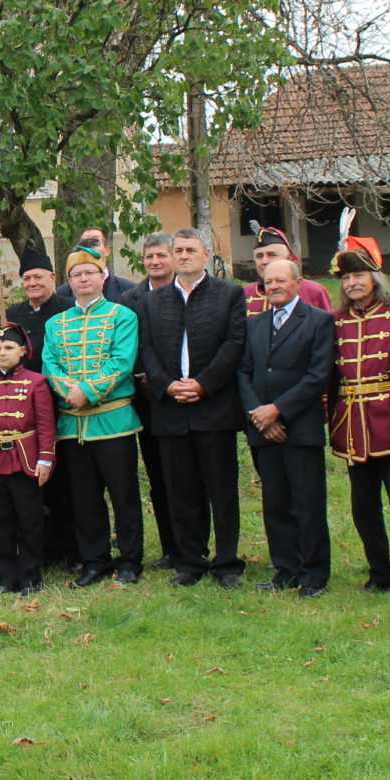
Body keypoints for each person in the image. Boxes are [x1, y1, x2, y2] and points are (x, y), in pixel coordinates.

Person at [138, 228, 248, 588]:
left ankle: (228, 561)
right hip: (169, 409)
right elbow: (147, 349)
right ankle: (190, 561)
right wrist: (167, 385)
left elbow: (234, 344)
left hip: (212, 406)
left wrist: (203, 383)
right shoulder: (154, 301)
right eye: (178, 249)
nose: (183, 255)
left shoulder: (228, 294)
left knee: (221, 489)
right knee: (180, 490)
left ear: (205, 254)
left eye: (190, 250)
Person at [43, 243, 144, 587]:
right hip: (72, 425)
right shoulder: (55, 324)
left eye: (89, 272)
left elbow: (121, 362)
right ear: (68, 281)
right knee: (84, 499)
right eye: (76, 274)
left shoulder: (122, 316)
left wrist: (86, 391)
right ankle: (94, 561)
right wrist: (66, 390)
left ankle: (130, 561)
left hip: (113, 421)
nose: (83, 279)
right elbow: (49, 364)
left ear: (103, 277)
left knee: (124, 496)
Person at [238, 258, 338, 596]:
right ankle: (285, 569)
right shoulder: (254, 324)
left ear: (297, 283)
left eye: (282, 280)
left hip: (300, 428)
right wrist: (259, 415)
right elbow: (244, 373)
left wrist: (278, 411)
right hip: (263, 430)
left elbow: (318, 375)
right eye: (269, 282)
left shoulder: (319, 321)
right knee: (276, 503)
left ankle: (313, 574)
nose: (275, 286)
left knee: (307, 503)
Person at [328, 237, 390, 593]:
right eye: (347, 278)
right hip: (351, 424)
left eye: (359, 275)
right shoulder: (336, 321)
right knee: (363, 509)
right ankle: (379, 572)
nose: (352, 283)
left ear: (375, 278)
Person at [0, 324, 57, 593]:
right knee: (1, 522)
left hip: (26, 461)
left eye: (8, 348)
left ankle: (30, 576)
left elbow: (46, 424)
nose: (2, 353)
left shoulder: (36, 382)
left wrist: (46, 459)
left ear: (23, 351)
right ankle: (7, 577)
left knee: (29, 521)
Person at [5, 246, 76, 568]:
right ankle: (43, 548)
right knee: (34, 482)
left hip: (60, 402)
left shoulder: (67, 308)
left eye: (38, 277)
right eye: (27, 278)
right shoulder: (14, 312)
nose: (32, 283)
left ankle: (71, 547)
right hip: (23, 409)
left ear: (52, 278)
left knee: (66, 481)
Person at [115, 232, 182, 573]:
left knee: (185, 477)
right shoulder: (130, 298)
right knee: (157, 475)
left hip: (183, 397)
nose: (155, 262)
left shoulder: (186, 292)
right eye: (149, 257)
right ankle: (170, 547)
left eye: (161, 255)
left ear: (173, 258)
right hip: (145, 400)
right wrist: (145, 376)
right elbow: (130, 344)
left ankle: (192, 545)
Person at [241, 226, 334, 317]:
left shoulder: (314, 291)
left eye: (272, 254)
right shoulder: (243, 294)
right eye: (259, 256)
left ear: (288, 258)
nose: (264, 261)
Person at [55, 226, 137, 302]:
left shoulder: (128, 289)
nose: (89, 248)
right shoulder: (63, 294)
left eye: (94, 242)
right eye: (84, 244)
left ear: (107, 250)